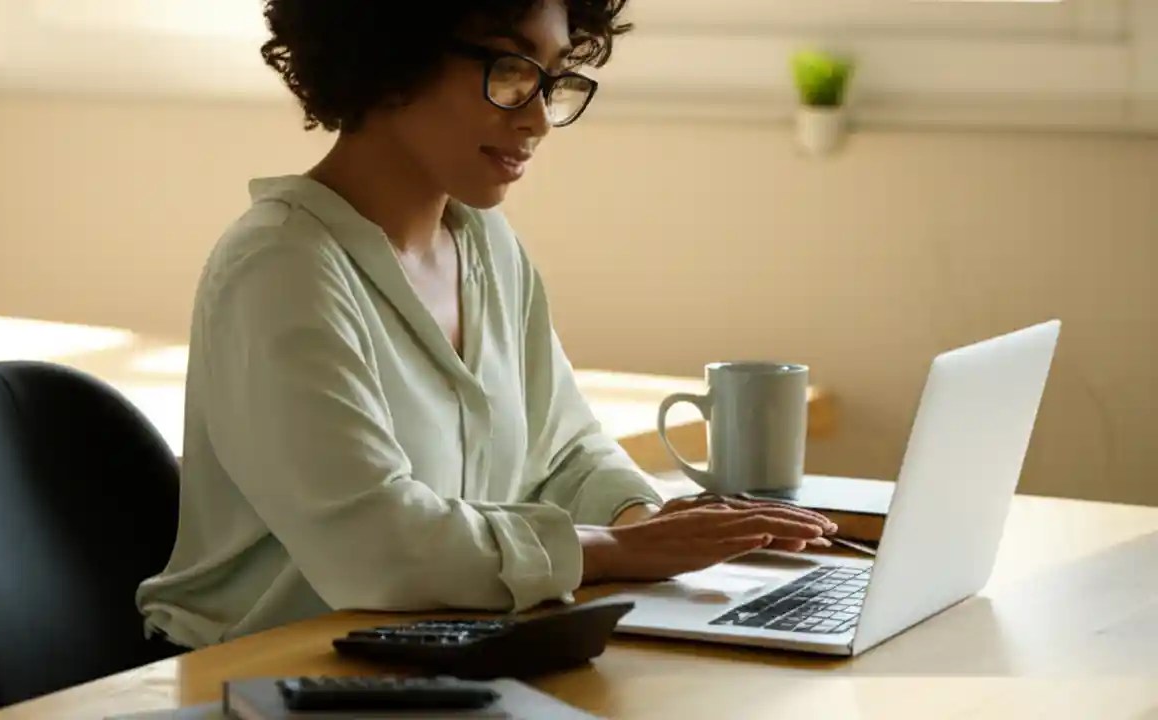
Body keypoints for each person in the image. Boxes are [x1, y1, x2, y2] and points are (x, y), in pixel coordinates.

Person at [135, 0, 835, 649]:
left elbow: (562, 451)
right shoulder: (280, 268)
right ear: (391, 49)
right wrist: (614, 552)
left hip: (441, 654)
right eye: (508, 70)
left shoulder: (487, 247)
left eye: (554, 81)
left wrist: (643, 521)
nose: (536, 120)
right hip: (259, 678)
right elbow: (377, 547)